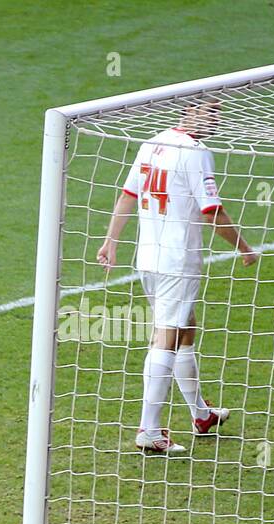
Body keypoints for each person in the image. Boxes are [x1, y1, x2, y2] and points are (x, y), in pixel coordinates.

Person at [97, 101, 259, 454]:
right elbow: (212, 211)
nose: (215, 119)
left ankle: (201, 414)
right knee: (167, 335)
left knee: (185, 326)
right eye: (207, 111)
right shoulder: (196, 152)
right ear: (188, 111)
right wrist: (244, 247)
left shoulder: (151, 143)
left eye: (218, 113)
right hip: (177, 260)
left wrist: (111, 240)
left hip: (149, 258)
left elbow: (128, 195)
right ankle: (149, 430)